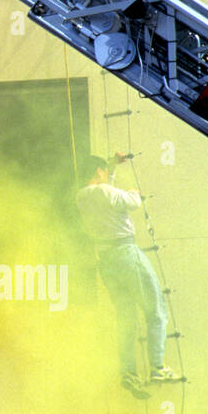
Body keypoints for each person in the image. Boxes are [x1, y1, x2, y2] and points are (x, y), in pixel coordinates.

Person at [75, 153, 181, 396]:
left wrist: (110, 167)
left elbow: (106, 194)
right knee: (156, 310)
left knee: (126, 319)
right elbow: (130, 202)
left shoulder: (81, 197)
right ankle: (157, 366)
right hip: (126, 253)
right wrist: (133, 191)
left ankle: (128, 372)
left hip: (107, 260)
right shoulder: (104, 191)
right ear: (99, 172)